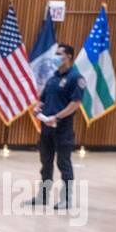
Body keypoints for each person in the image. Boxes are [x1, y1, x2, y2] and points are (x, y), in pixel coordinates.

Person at [30, 42, 85, 209]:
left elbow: (75, 103)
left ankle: (66, 199)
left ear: (69, 56)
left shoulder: (76, 78)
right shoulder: (53, 78)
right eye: (56, 54)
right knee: (46, 163)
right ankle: (43, 196)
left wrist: (57, 117)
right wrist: (38, 107)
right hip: (47, 128)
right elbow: (43, 99)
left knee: (63, 164)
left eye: (59, 54)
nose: (56, 57)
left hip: (63, 129)